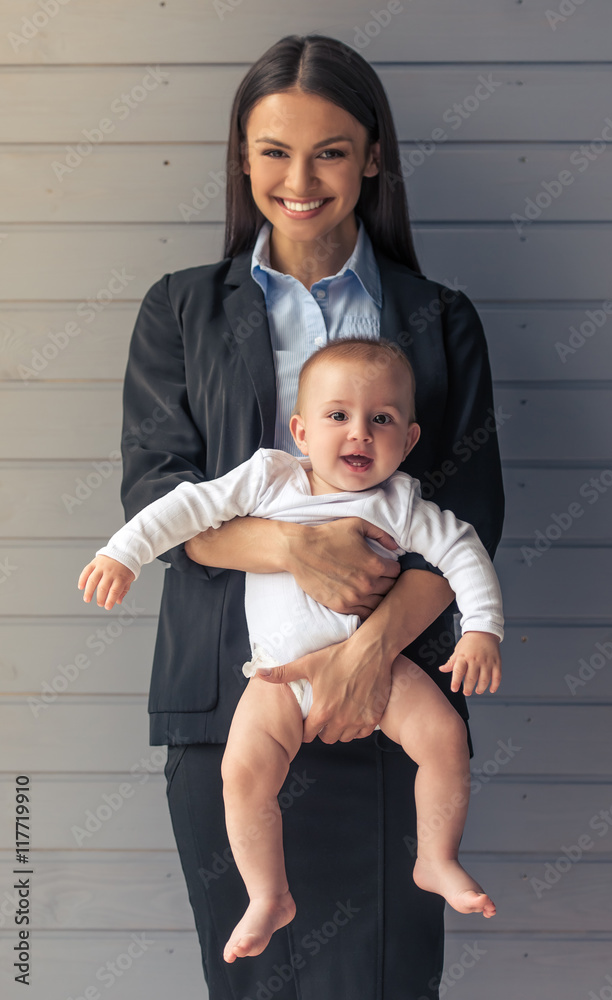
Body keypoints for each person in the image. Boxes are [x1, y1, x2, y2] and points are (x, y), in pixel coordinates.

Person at [113, 32, 505, 1000]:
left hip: (398, 693)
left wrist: (367, 653)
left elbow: (468, 517)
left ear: (372, 157)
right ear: (241, 161)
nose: (299, 178)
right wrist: (298, 547)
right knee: (250, 981)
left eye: (330, 150)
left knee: (381, 980)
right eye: (273, 151)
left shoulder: (437, 318)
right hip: (229, 698)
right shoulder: (179, 312)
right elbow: (158, 500)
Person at [79, 337, 504, 962]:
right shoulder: (271, 479)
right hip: (276, 676)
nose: (359, 434)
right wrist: (124, 552)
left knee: (445, 741)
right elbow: (187, 506)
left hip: (377, 665)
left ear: (408, 440)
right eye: (338, 416)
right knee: (244, 774)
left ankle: (436, 860)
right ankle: (267, 894)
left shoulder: (402, 502)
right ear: (301, 431)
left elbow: (464, 551)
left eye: (381, 420)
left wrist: (482, 630)